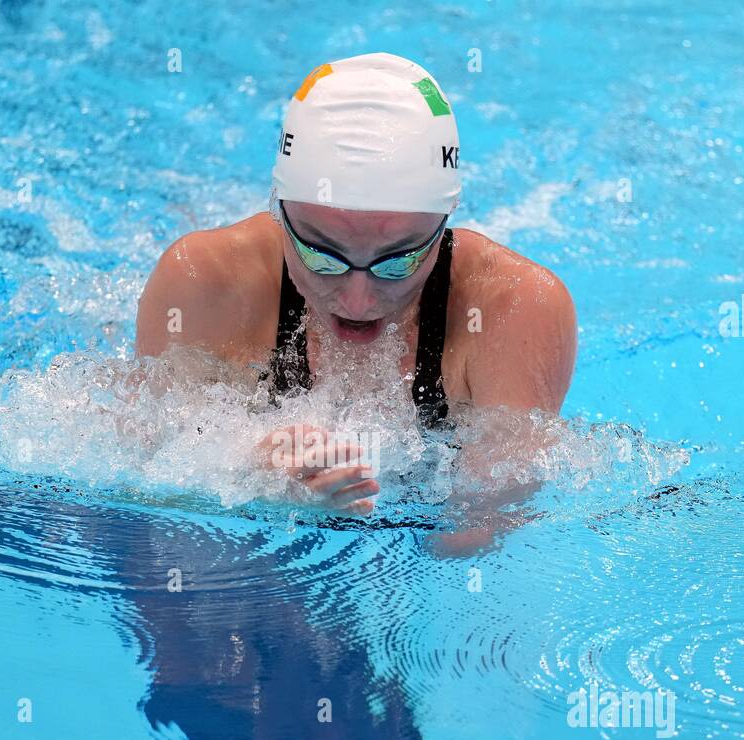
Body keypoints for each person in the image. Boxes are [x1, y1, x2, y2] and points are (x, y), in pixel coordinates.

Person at [135, 53, 575, 528]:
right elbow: (150, 486)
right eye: (322, 257)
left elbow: (479, 532)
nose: (358, 301)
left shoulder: (514, 305)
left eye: (398, 261)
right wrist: (250, 477)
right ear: (279, 212)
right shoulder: (204, 284)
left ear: (444, 224)